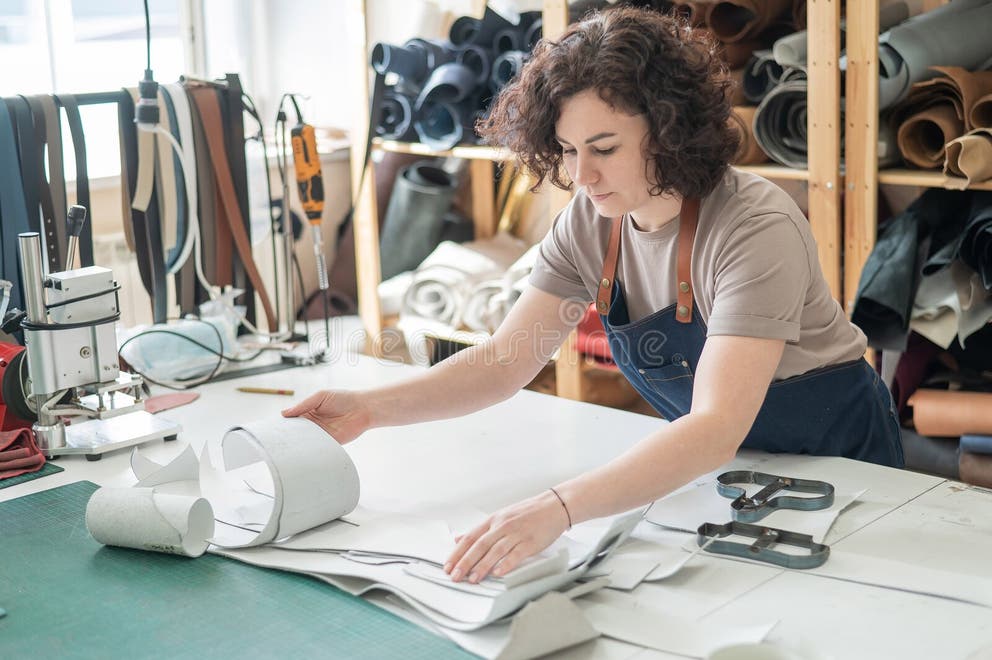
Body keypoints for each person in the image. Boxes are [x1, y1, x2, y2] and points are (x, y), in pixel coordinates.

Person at [283, 6, 903, 585]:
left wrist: (560, 507)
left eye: (604, 149)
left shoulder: (752, 225)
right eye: (570, 151)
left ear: (669, 130)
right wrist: (369, 408)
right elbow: (505, 360)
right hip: (728, 474)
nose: (582, 176)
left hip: (840, 468)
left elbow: (714, 423)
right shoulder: (590, 221)